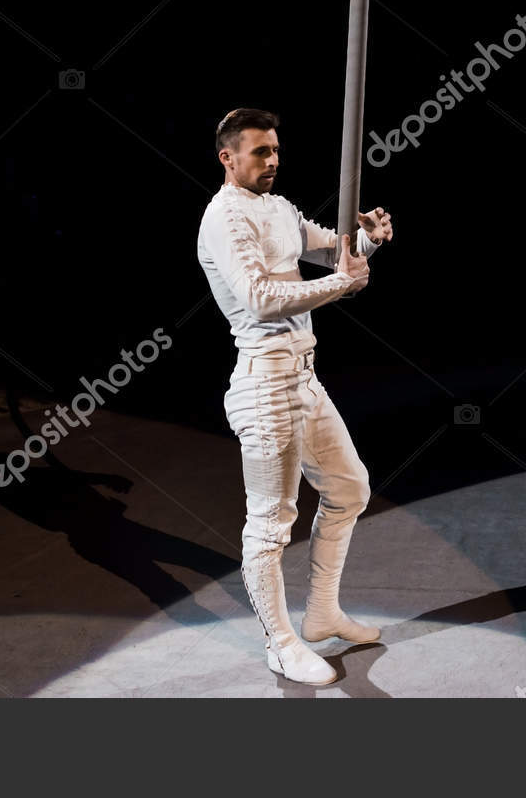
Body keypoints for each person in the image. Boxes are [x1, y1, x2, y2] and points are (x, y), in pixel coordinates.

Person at [196, 107, 395, 685]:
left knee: (349, 486)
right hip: (263, 385)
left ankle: (322, 613)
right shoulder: (223, 217)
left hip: (305, 378)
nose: (273, 160)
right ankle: (279, 643)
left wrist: (367, 242)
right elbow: (259, 298)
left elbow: (334, 251)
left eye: (276, 150)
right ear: (228, 157)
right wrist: (342, 284)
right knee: (271, 523)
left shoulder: (277, 208)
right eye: (260, 151)